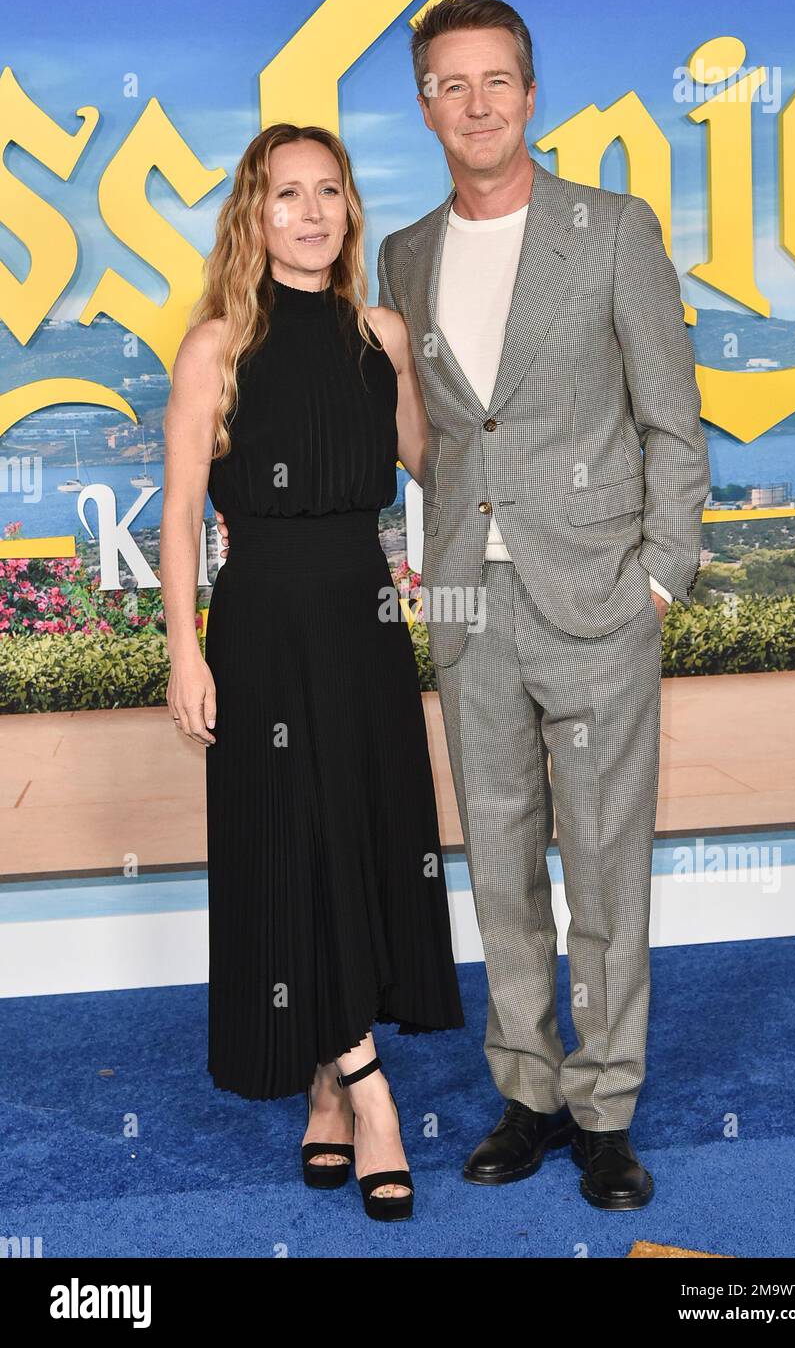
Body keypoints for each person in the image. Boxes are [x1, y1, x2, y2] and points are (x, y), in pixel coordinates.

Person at [217, 0, 710, 1212]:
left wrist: (658, 577)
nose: (475, 103)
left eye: (496, 81)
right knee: (496, 863)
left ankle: (604, 1111)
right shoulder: (403, 259)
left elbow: (672, 422)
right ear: (426, 105)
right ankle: (528, 1093)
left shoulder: (609, 229)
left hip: (597, 599)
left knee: (600, 865)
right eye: (450, 84)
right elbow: (430, 440)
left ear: (529, 96)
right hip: (464, 612)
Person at [160, 123, 464, 1223]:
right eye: (286, 193)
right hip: (261, 629)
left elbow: (434, 459)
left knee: (361, 839)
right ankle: (371, 1093)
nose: (310, 211)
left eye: (328, 190)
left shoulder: (378, 329)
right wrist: (183, 649)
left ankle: (326, 1089)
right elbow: (183, 516)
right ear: (253, 213)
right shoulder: (215, 344)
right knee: (294, 839)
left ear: (348, 208)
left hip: (362, 617)